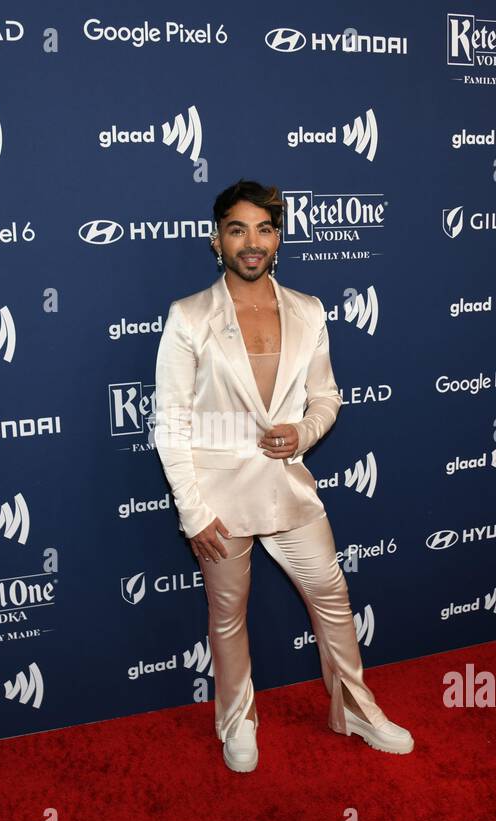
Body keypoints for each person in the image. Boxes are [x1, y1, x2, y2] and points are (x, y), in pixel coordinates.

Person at [152, 179, 414, 772]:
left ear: (278, 238)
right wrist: (193, 511)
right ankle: (238, 718)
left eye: (264, 229)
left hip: (287, 485)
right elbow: (170, 422)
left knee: (333, 598)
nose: (252, 242)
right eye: (238, 229)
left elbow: (326, 397)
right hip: (217, 497)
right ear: (216, 239)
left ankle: (355, 707)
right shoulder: (190, 317)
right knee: (228, 614)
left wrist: (304, 432)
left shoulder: (308, 310)